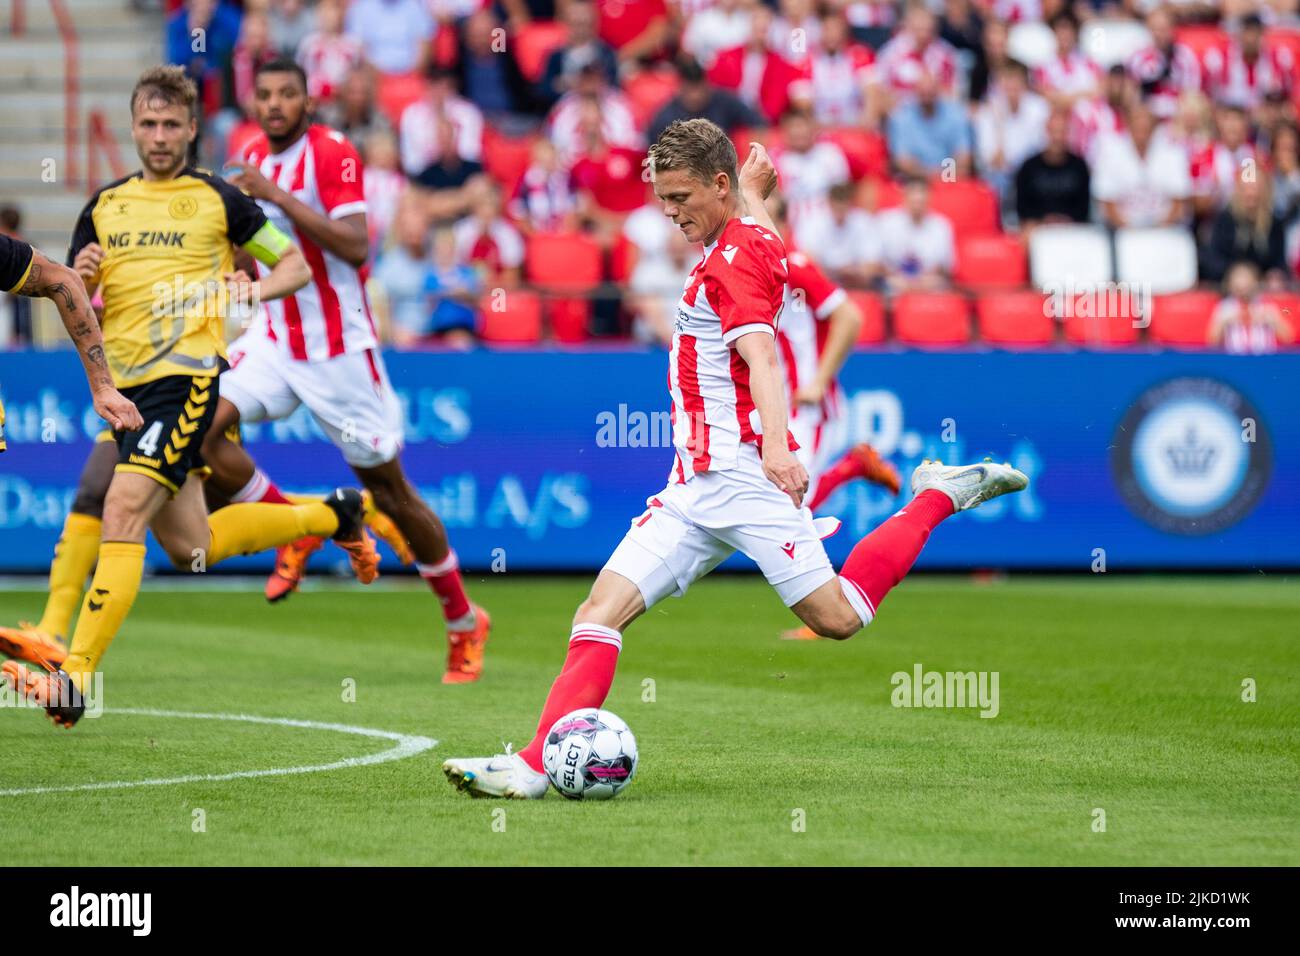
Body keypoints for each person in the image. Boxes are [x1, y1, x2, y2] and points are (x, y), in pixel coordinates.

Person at [441, 120, 1028, 798]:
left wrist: (777, 446)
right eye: (663, 199)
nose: (671, 212)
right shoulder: (748, 234)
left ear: (717, 186)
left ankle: (936, 495)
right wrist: (750, 193)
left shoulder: (734, 261)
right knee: (597, 613)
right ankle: (535, 767)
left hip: (747, 478)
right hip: (691, 488)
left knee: (838, 618)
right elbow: (759, 231)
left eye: (681, 196)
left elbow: (763, 356)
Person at [0, 65, 375, 728]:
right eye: (148, 123)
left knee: (118, 504)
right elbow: (75, 290)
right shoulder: (105, 206)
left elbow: (289, 262)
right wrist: (86, 273)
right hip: (128, 387)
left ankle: (74, 674)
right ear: (134, 127)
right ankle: (332, 515)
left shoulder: (221, 199)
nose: (160, 136)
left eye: (172, 124)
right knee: (190, 544)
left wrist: (252, 291)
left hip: (186, 380)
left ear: (193, 128)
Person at [204, 58, 492, 684]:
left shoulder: (331, 153)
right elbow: (247, 242)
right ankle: (299, 524)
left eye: (288, 94)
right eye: (266, 94)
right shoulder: (249, 153)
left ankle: (465, 622)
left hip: (340, 351)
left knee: (392, 492)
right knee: (200, 428)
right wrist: (237, 270)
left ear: (309, 101)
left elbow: (357, 246)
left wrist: (277, 196)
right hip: (275, 339)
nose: (276, 104)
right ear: (252, 101)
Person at [1208, 261, 1294, 354]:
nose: (1242, 284)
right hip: (1234, 359)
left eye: (1246, 279)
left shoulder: (1266, 304)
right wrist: (1224, 322)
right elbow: (1212, 342)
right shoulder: (1225, 307)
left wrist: (1273, 320)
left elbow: (1288, 338)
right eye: (1237, 279)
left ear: (1255, 282)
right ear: (1230, 284)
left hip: (1265, 359)